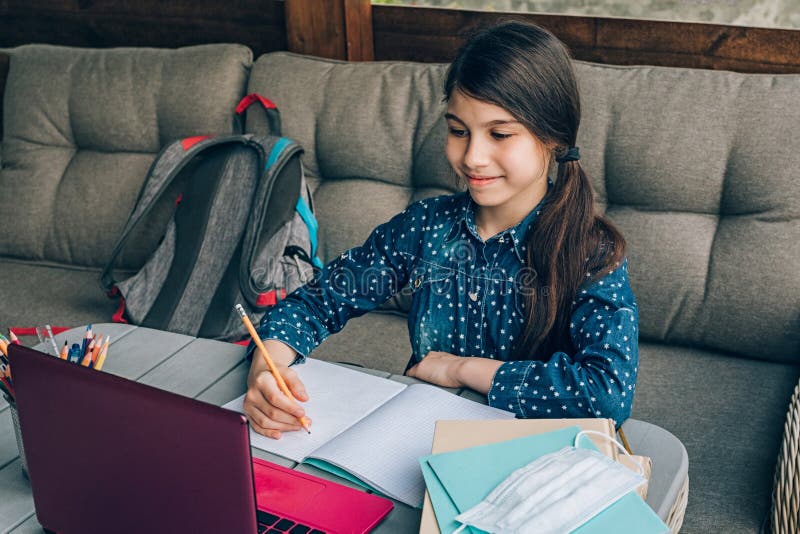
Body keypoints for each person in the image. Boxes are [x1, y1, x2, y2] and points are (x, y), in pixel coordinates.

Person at [243, 20, 638, 440]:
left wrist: (460, 368)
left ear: (553, 138)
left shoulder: (590, 251)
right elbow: (319, 302)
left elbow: (606, 394)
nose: (472, 157)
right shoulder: (425, 227)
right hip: (418, 440)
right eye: (457, 131)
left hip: (532, 461)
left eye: (499, 134)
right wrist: (268, 366)